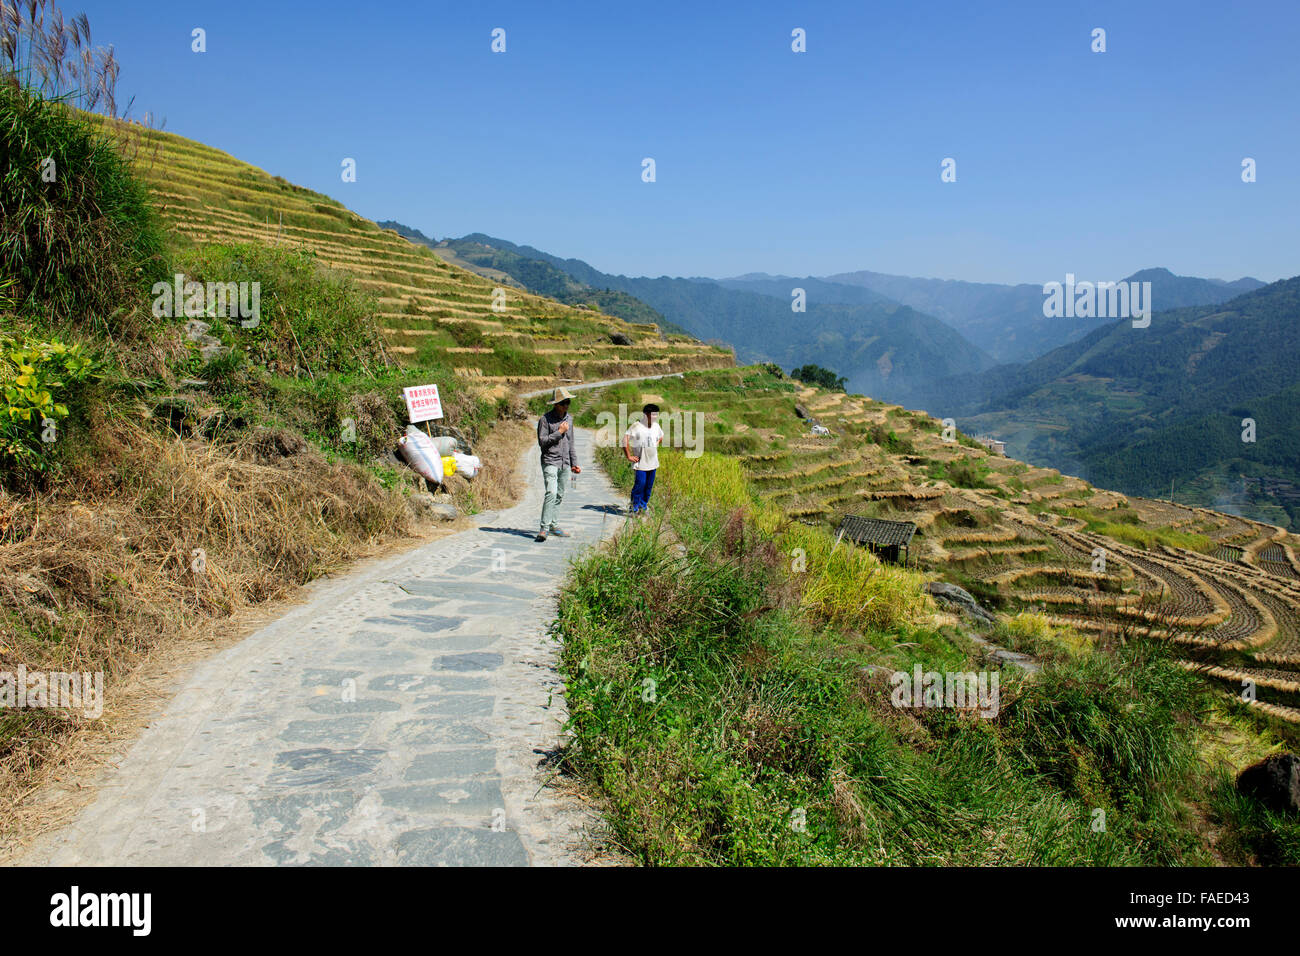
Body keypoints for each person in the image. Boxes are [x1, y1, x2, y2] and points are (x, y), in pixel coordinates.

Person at [536, 387, 580, 541]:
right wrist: (559, 432)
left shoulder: (569, 419)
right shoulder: (545, 420)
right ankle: (544, 528)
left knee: (560, 495)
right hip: (550, 460)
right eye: (563, 403)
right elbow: (542, 442)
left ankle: (554, 525)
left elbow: (571, 442)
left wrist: (575, 462)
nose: (566, 406)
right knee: (551, 492)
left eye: (568, 402)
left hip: (565, 462)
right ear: (556, 404)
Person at [623, 403, 664, 515]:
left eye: (656, 414)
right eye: (653, 414)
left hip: (653, 462)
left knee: (648, 486)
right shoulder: (636, 426)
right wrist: (629, 456)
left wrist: (655, 444)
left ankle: (643, 506)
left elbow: (661, 436)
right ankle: (634, 507)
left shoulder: (656, 426)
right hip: (640, 462)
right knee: (640, 484)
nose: (655, 417)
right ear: (646, 414)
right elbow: (624, 440)